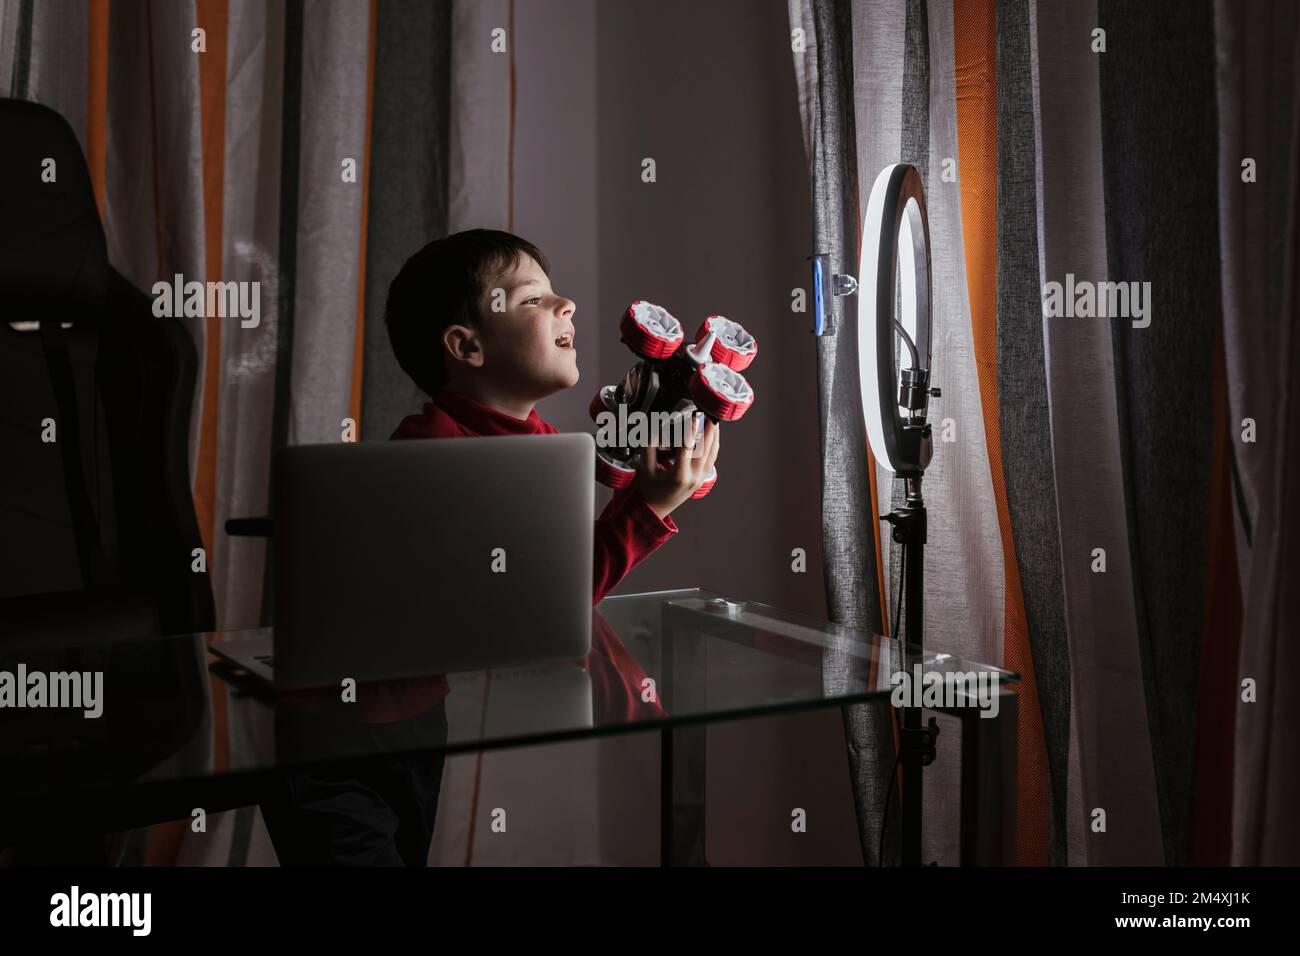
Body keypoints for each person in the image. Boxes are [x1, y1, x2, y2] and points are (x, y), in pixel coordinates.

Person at [261, 228, 718, 866]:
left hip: (415, 720)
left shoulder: (537, 445)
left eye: (559, 296)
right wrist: (647, 507)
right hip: (327, 738)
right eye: (534, 299)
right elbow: (541, 601)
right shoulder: (433, 452)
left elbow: (551, 589)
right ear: (466, 345)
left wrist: (644, 496)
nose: (568, 307)